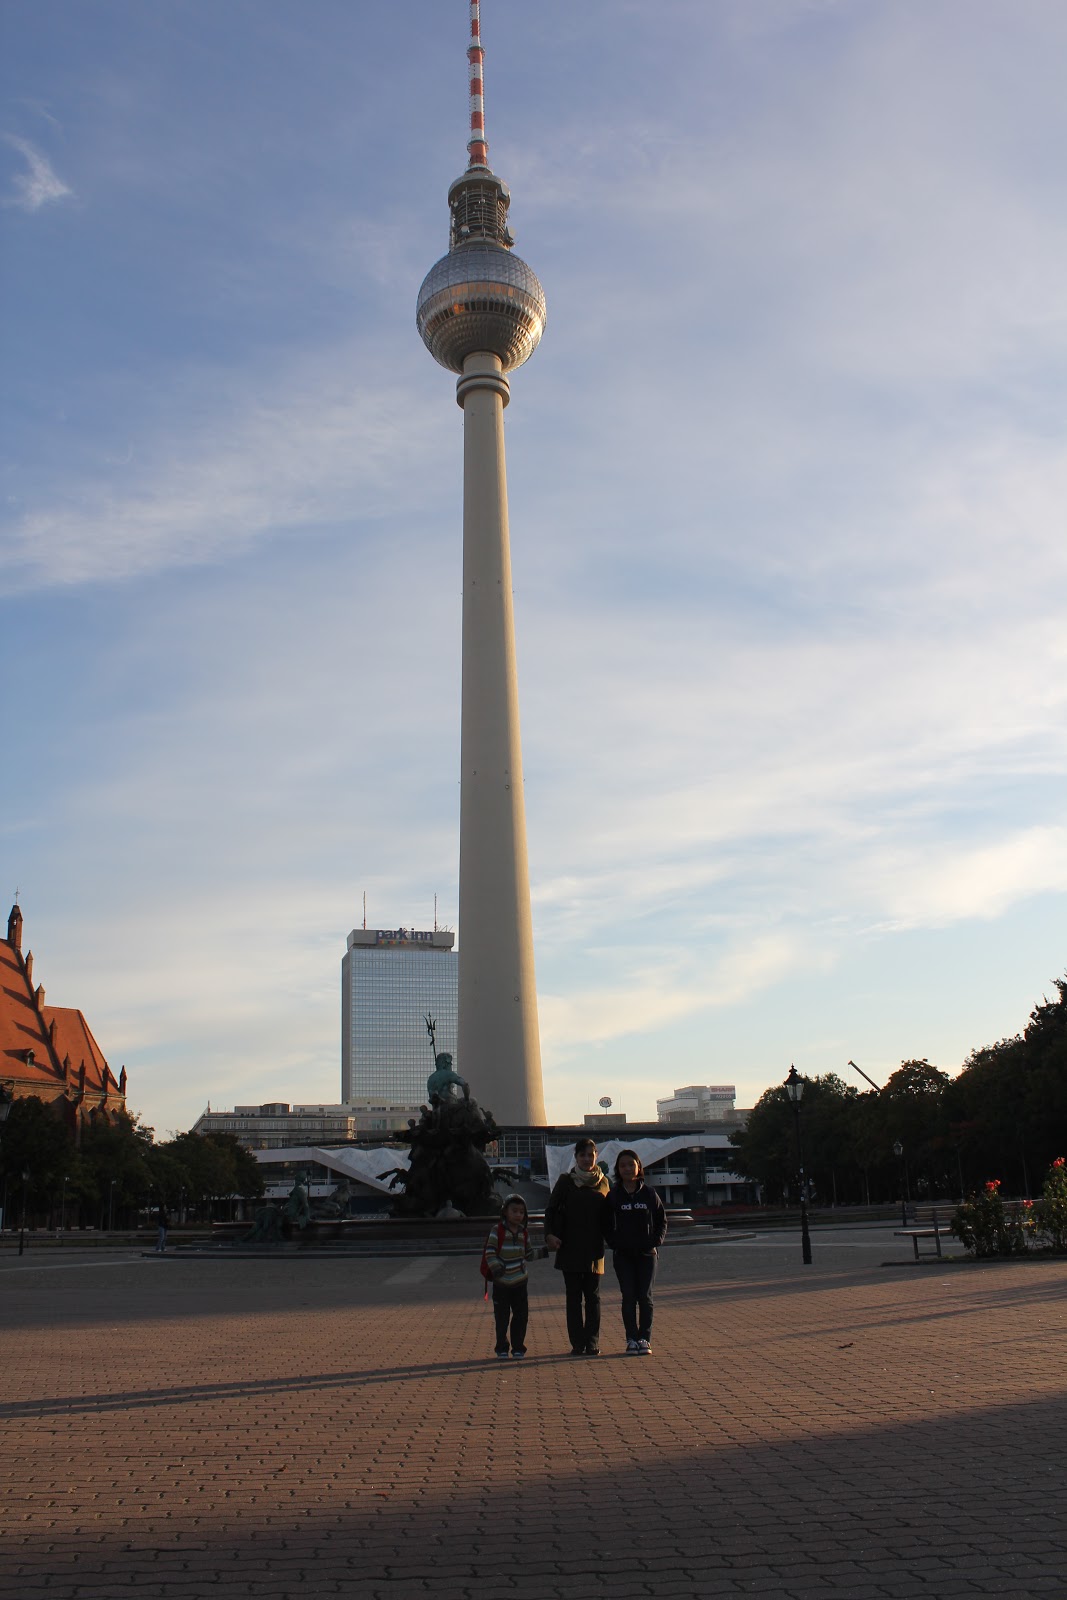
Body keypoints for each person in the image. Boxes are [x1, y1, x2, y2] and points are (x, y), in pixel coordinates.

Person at [544, 1138, 610, 1356]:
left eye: (590, 1155)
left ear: (596, 1156)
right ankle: (577, 1343)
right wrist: (550, 1235)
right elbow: (551, 1210)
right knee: (573, 1297)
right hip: (570, 1246)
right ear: (576, 1157)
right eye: (582, 1155)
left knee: (593, 1297)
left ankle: (591, 1342)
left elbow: (611, 1214)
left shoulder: (603, 1182)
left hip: (594, 1247)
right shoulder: (566, 1181)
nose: (586, 1159)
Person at [603, 1149, 667, 1354]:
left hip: (647, 1255)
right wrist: (615, 1243)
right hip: (623, 1256)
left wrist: (655, 1241)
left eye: (631, 1164)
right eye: (623, 1165)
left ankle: (644, 1339)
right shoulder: (613, 1196)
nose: (628, 1168)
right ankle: (631, 1338)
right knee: (628, 1297)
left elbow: (661, 1220)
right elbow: (605, 1224)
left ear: (638, 1166)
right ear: (618, 1169)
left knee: (645, 1297)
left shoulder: (649, 1193)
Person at [484, 1194, 549, 1359]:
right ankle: (502, 1347)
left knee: (521, 1316)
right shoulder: (496, 1230)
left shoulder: (523, 1232)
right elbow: (489, 1252)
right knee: (502, 1317)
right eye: (514, 1211)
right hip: (501, 1282)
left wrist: (546, 1251)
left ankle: (518, 1346)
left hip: (520, 1281)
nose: (518, 1215)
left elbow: (528, 1254)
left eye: (521, 1212)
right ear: (505, 1211)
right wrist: (496, 1268)